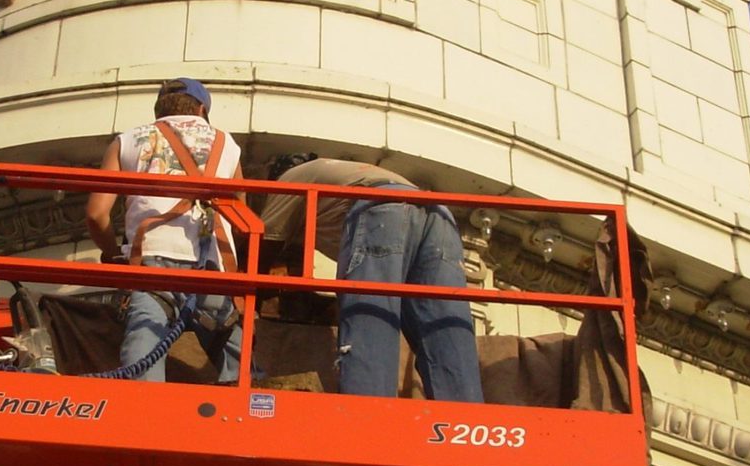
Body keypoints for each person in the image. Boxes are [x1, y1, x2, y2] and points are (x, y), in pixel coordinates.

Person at [259, 154, 483, 402]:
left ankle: (367, 409)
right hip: (440, 216)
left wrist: (248, 299)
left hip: (383, 210)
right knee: (444, 325)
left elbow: (262, 245)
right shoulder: (338, 173)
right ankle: (466, 415)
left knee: (371, 317)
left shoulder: (289, 179)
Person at [84, 77, 244, 383]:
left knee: (143, 349)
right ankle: (247, 401)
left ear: (159, 110)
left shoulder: (127, 140)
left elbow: (96, 214)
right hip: (212, 263)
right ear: (201, 109)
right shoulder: (227, 144)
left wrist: (113, 254)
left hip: (151, 261)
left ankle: (141, 407)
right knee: (236, 354)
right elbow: (240, 217)